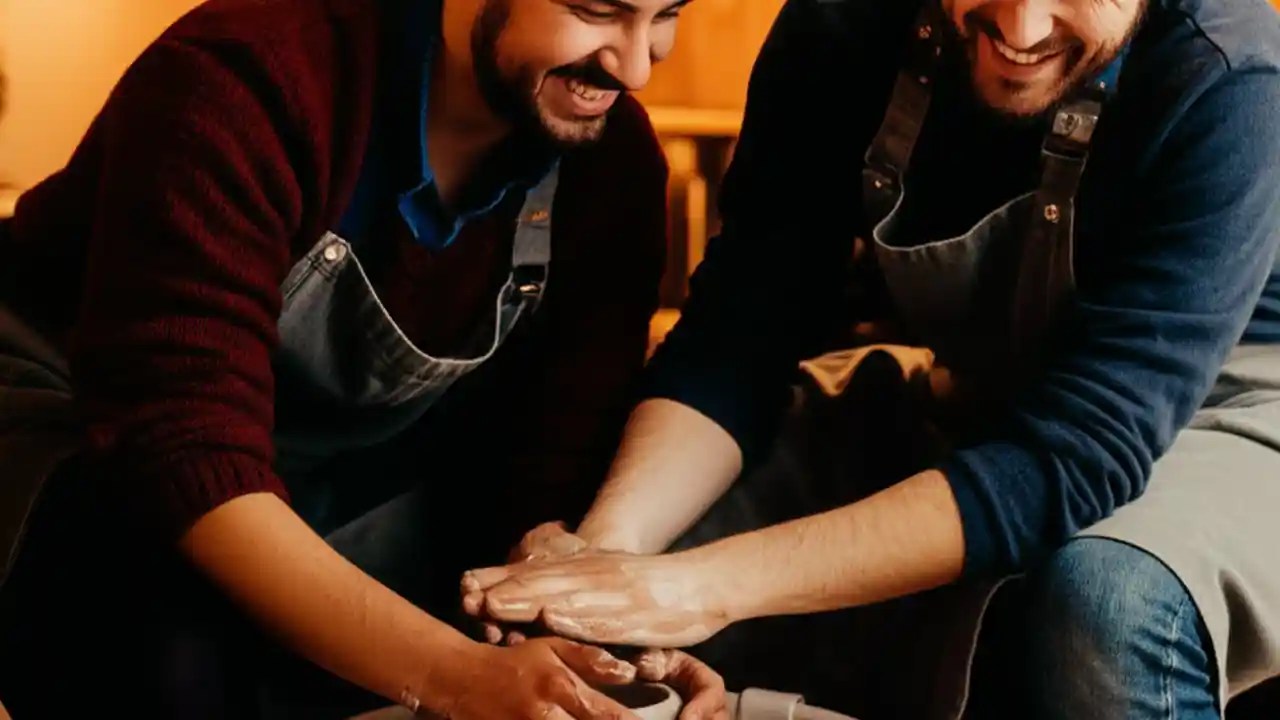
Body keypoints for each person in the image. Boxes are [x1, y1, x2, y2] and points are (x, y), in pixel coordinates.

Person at [463, 0, 1280, 717]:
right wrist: (608, 560)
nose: (1021, 27)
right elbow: (744, 326)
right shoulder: (846, 18)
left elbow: (1081, 451)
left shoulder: (1227, 76)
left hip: (1234, 412)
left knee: (1105, 601)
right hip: (989, 396)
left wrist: (694, 591)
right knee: (633, 566)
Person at [0, 0, 729, 718]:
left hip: (321, 461)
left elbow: (550, 465)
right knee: (183, 653)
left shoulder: (612, 159)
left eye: (666, 16)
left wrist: (597, 642)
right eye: (598, 10)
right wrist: (457, 676)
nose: (635, 65)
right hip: (76, 425)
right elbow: (182, 442)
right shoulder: (246, 73)